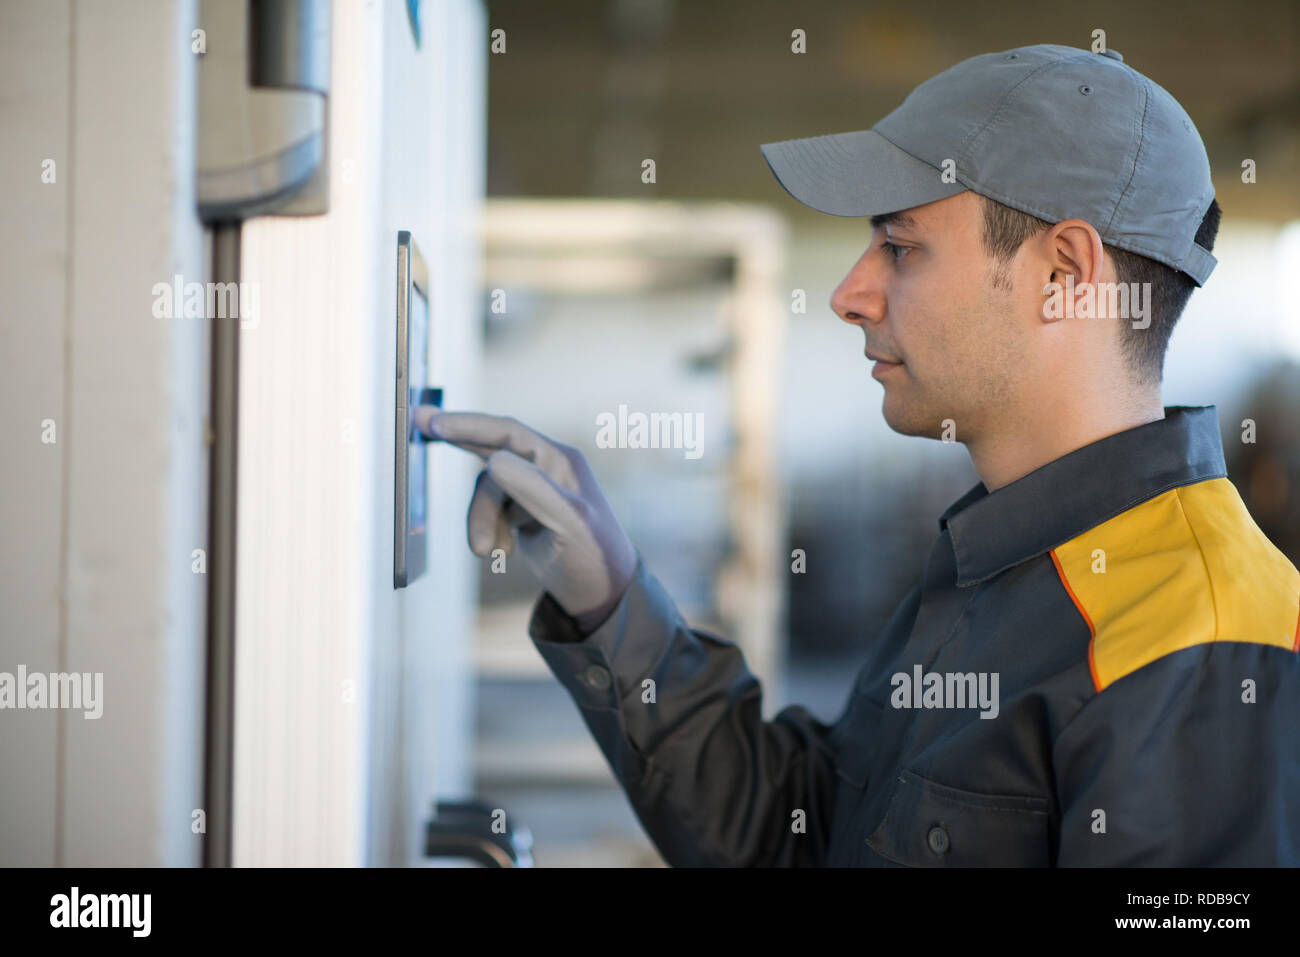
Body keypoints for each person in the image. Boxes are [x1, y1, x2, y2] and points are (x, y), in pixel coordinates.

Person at [413, 44, 1300, 866]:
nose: (849, 292)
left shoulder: (1208, 644)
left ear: (1063, 273)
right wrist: (610, 598)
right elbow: (799, 828)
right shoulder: (1000, 567)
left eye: (900, 245)